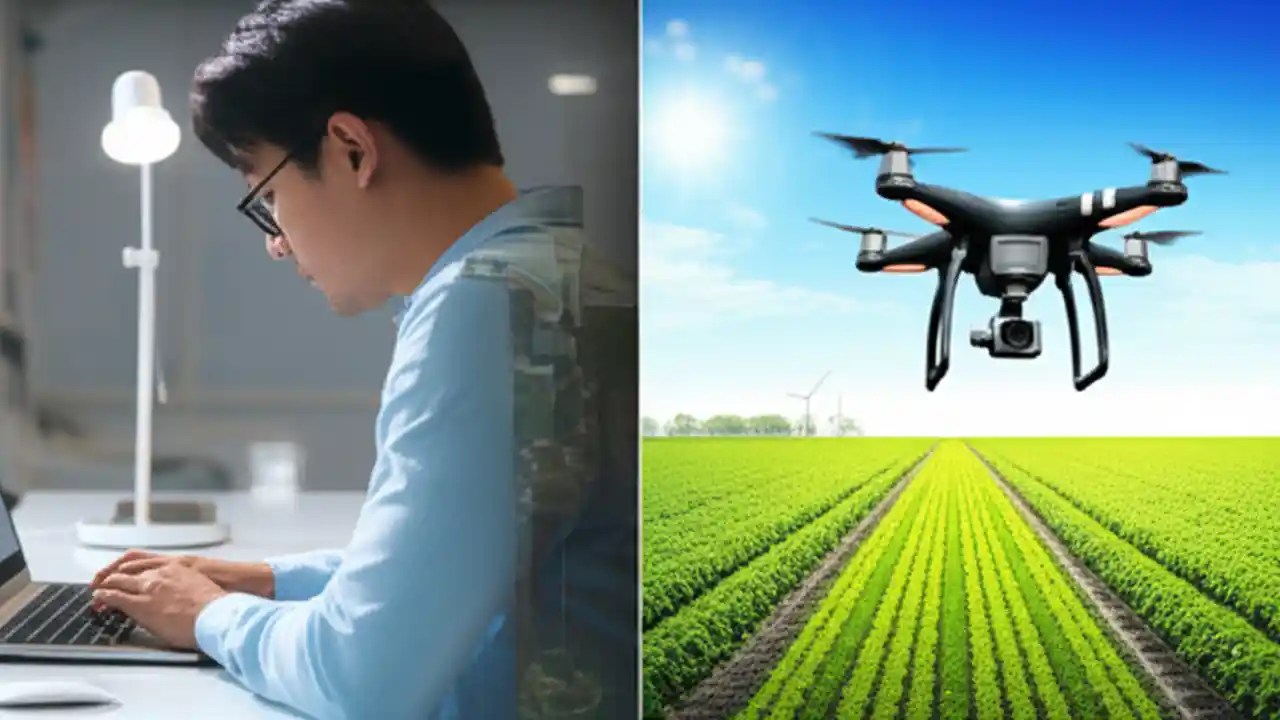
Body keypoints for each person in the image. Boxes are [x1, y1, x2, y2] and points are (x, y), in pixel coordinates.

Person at [86, 1, 634, 718]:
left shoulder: (486, 309)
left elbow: (361, 678)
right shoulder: (559, 272)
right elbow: (474, 567)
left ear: (351, 149)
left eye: (268, 196)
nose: (275, 242)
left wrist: (207, 617)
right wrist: (269, 582)